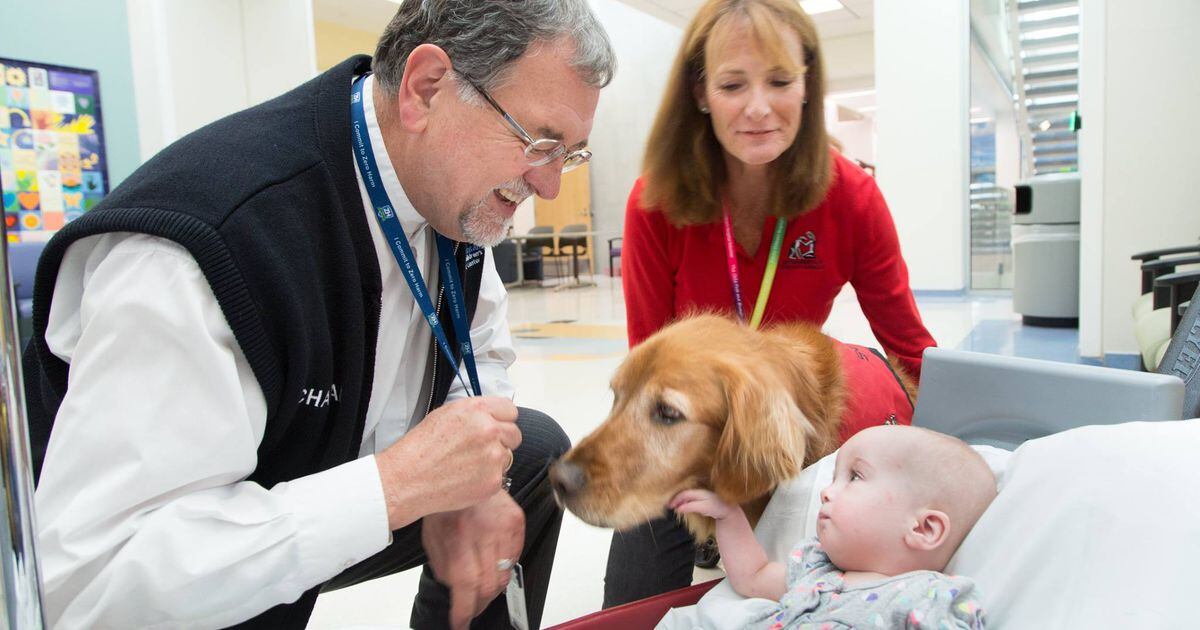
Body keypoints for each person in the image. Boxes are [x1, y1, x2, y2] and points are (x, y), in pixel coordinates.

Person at [24, 2, 615, 628]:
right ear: (426, 89)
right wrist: (395, 488)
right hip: (200, 535)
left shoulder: (453, 198)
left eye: (569, 154)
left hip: (328, 472)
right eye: (539, 143)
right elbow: (94, 581)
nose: (550, 185)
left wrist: (471, 485)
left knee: (527, 453)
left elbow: (481, 351)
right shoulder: (210, 246)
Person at [606, 0, 937, 606]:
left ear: (808, 85)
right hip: (687, 426)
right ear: (701, 93)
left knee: (820, 593)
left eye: (780, 81)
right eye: (733, 85)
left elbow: (909, 348)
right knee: (634, 591)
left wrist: (958, 455)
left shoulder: (851, 198)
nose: (759, 108)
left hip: (784, 429)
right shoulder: (655, 203)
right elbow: (648, 369)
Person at [670, 425, 996, 628]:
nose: (826, 492)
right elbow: (752, 576)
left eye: (854, 477)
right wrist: (728, 516)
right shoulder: (816, 569)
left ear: (924, 529)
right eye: (834, 477)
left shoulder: (929, 598)